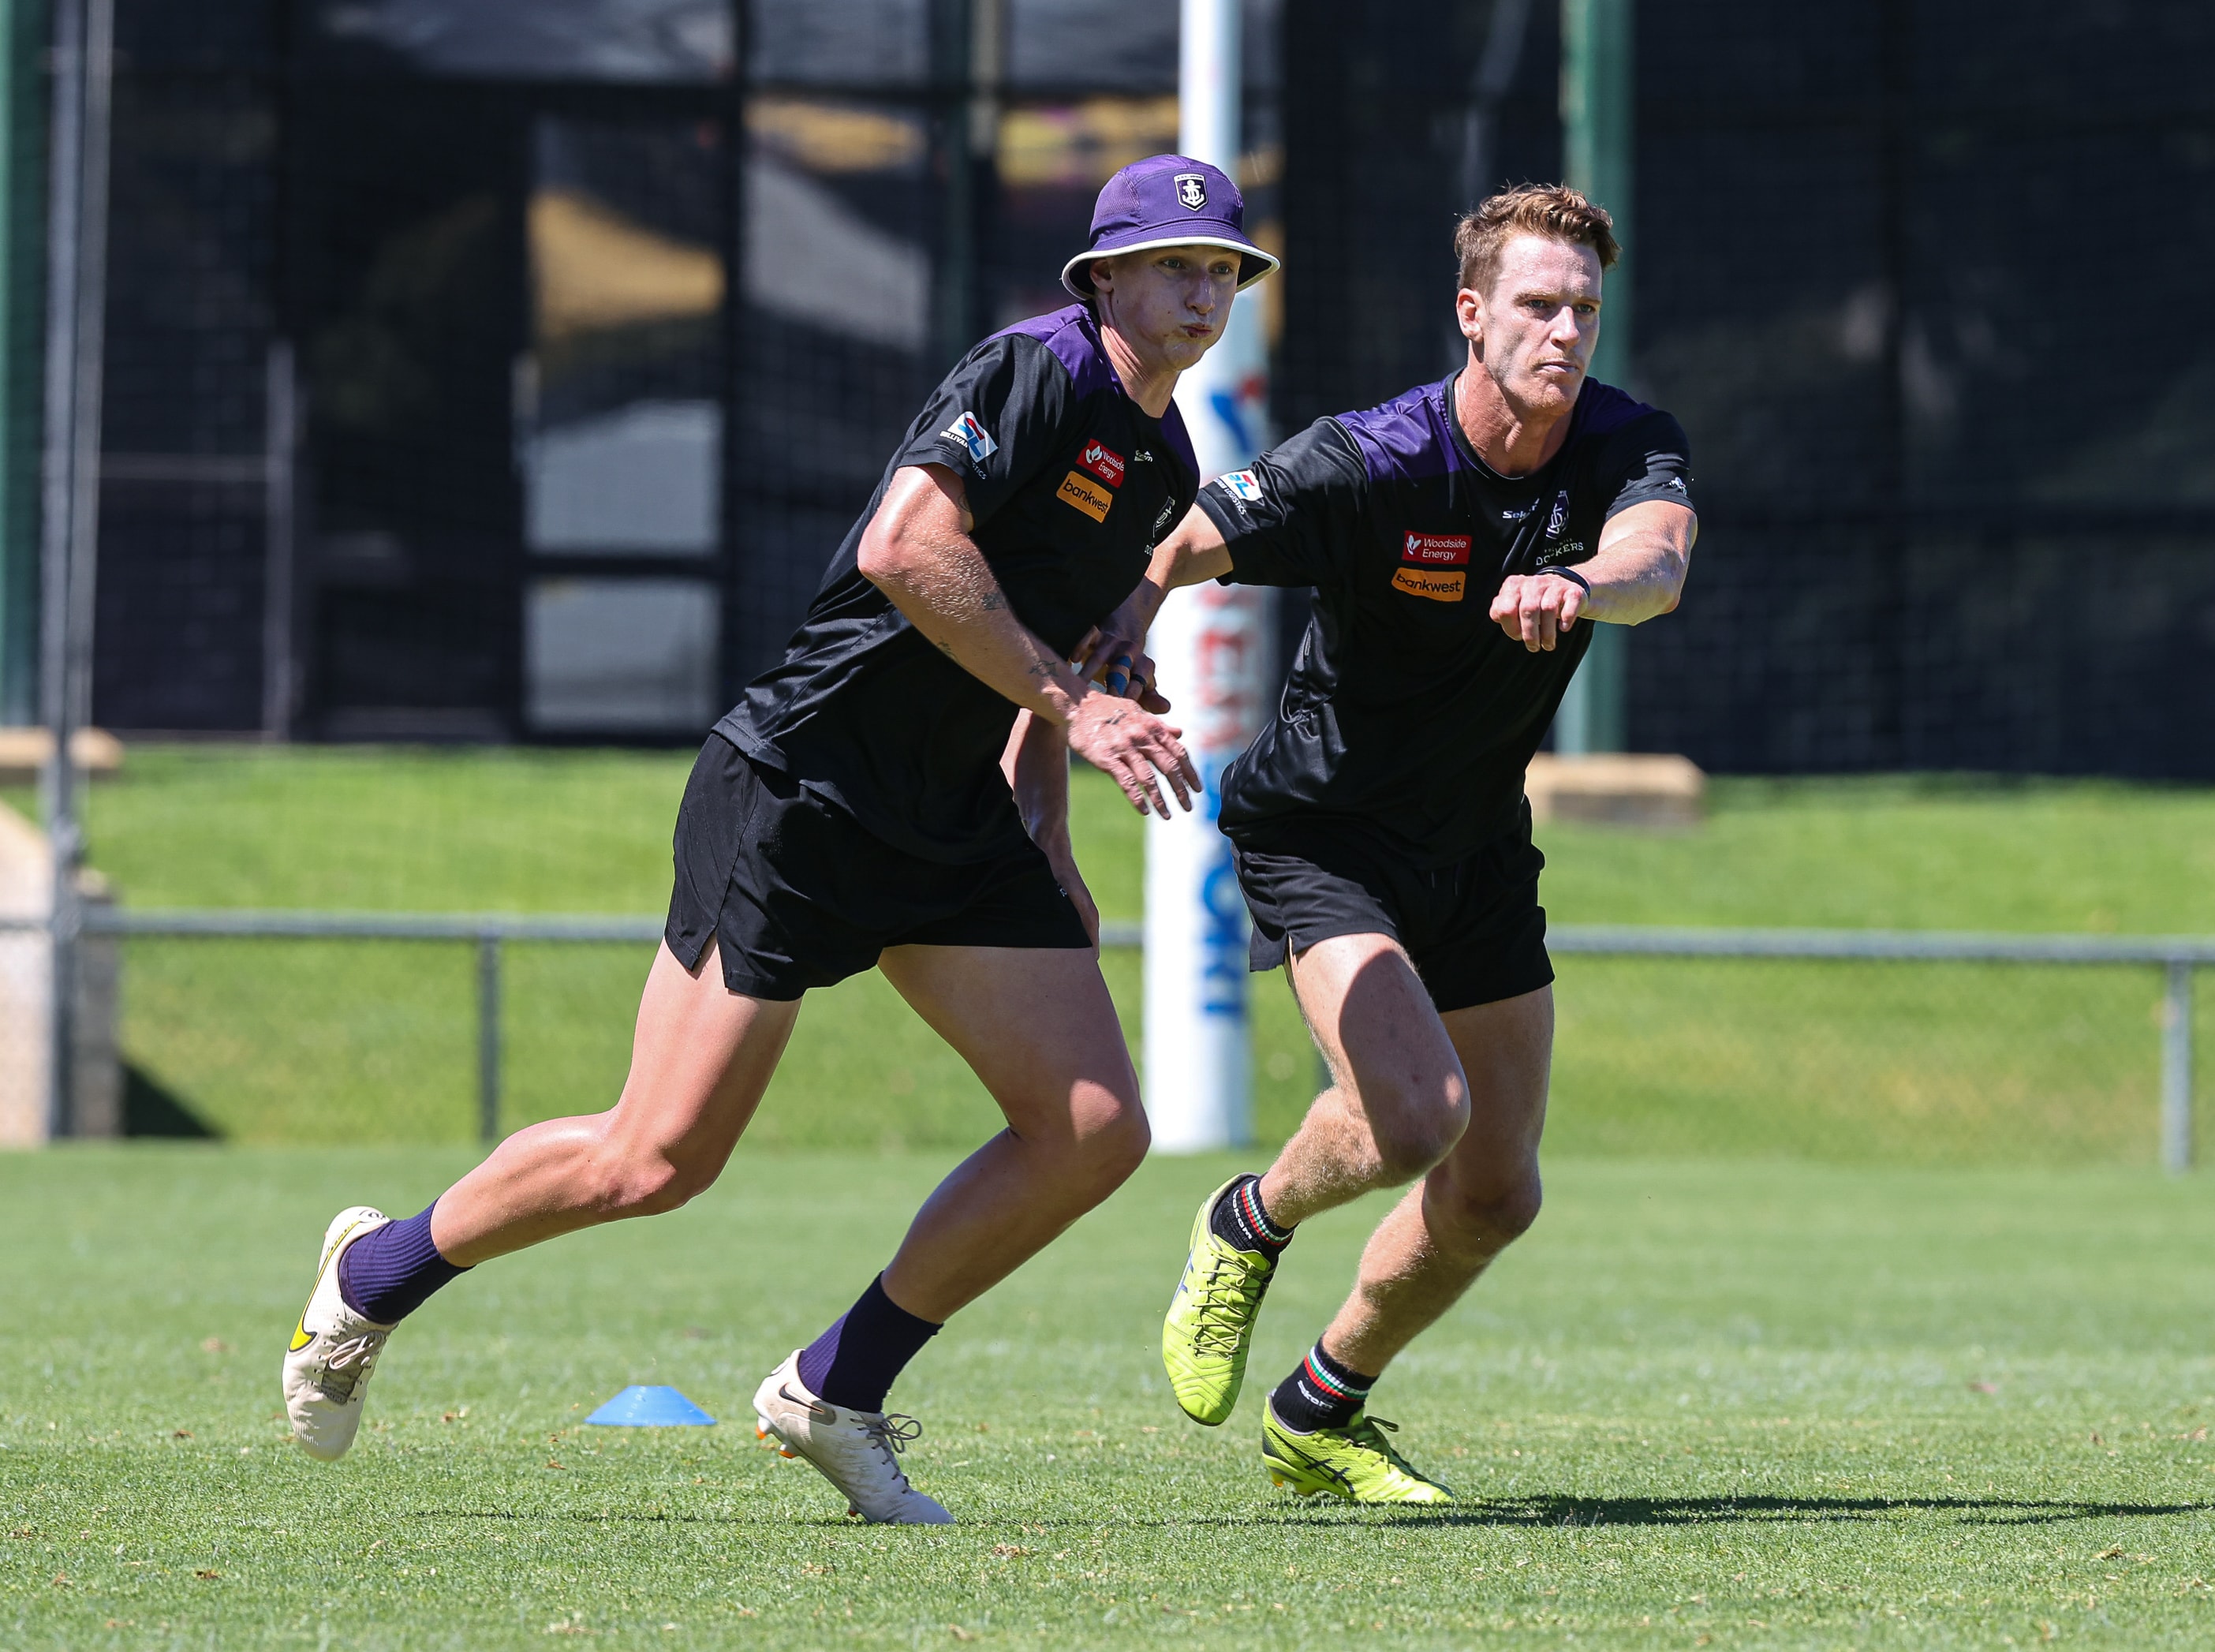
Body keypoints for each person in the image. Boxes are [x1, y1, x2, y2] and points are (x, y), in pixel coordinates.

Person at [282, 154, 1279, 1525]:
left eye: (1223, 268)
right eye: (1174, 264)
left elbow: (1056, 663)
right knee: (656, 1161)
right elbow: (904, 548)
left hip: (950, 824)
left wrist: (1048, 825)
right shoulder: (1032, 373)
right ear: (1100, 276)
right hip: (800, 788)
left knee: (1092, 1128)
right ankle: (373, 1278)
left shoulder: (1165, 458)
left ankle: (835, 1389)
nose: (1202, 288)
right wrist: (1074, 705)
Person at [1099, 184, 1695, 1502]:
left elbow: (1658, 564)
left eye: (1585, 308)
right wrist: (1113, 651)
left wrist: (1581, 582)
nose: (1566, 331)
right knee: (1417, 1115)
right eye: (1538, 305)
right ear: (1474, 315)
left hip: (1476, 840)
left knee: (1498, 1194)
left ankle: (1321, 1410)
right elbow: (1185, 539)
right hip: (1324, 829)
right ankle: (1246, 1219)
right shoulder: (1375, 458)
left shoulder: (1626, 442)